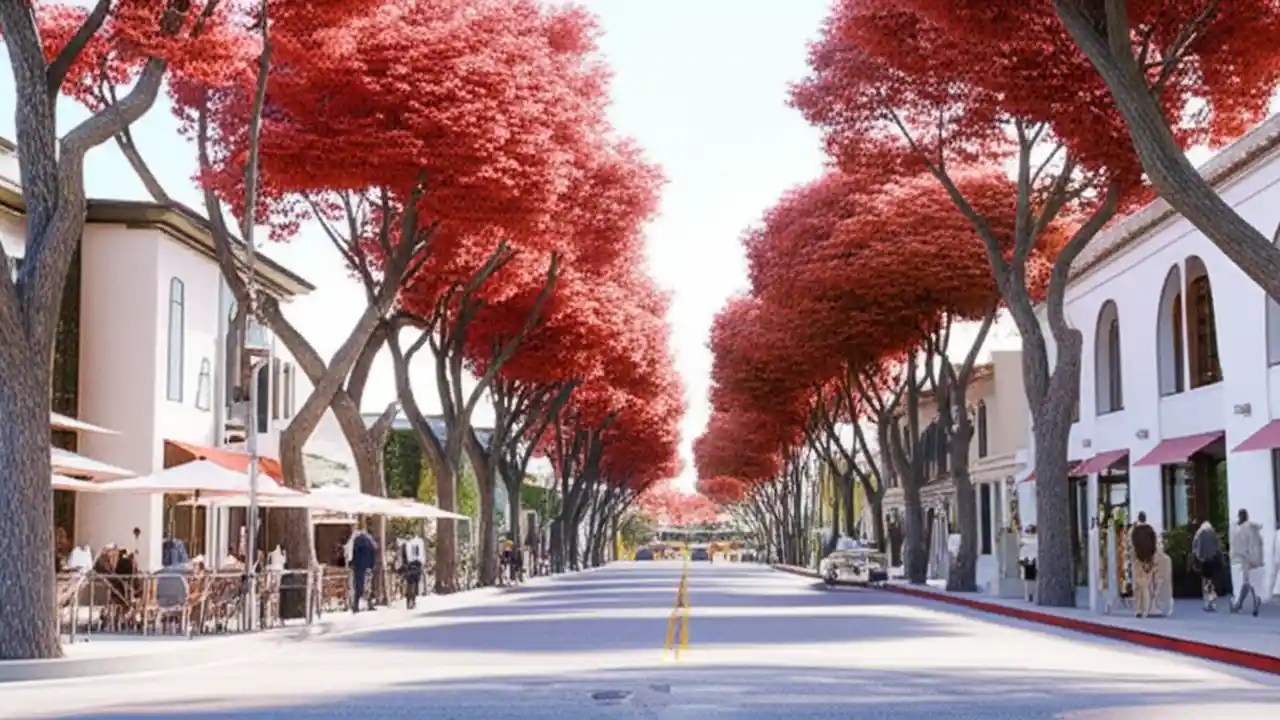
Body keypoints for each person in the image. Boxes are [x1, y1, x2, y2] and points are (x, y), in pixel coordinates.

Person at [1230, 508, 1265, 616]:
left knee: (1247, 583)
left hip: (1247, 561)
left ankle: (1243, 604)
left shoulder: (1242, 530)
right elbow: (1260, 544)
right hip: (1257, 561)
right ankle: (1243, 603)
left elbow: (1239, 547)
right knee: (1250, 584)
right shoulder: (1255, 530)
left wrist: (1236, 558)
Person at [1130, 511, 1157, 618]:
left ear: (1138, 519)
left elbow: (1133, 545)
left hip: (1138, 561)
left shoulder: (1135, 531)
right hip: (1148, 560)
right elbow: (1154, 545)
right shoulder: (1150, 530)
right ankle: (1146, 610)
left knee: (1137, 587)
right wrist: (1150, 558)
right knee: (1146, 586)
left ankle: (1137, 609)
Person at [1192, 521, 1222, 611]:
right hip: (1212, 560)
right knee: (1211, 581)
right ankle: (1212, 600)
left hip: (1203, 561)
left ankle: (1207, 601)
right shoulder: (1213, 533)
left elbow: (1196, 547)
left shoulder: (1199, 533)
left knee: (1205, 581)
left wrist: (1198, 558)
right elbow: (1218, 547)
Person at [350, 527, 378, 613]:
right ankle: (369, 604)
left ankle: (356, 605)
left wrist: (352, 563)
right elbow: (374, 554)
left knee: (358, 586)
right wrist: (372, 565)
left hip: (358, 567)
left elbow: (354, 554)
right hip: (368, 567)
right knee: (368, 585)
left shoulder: (356, 541)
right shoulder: (371, 542)